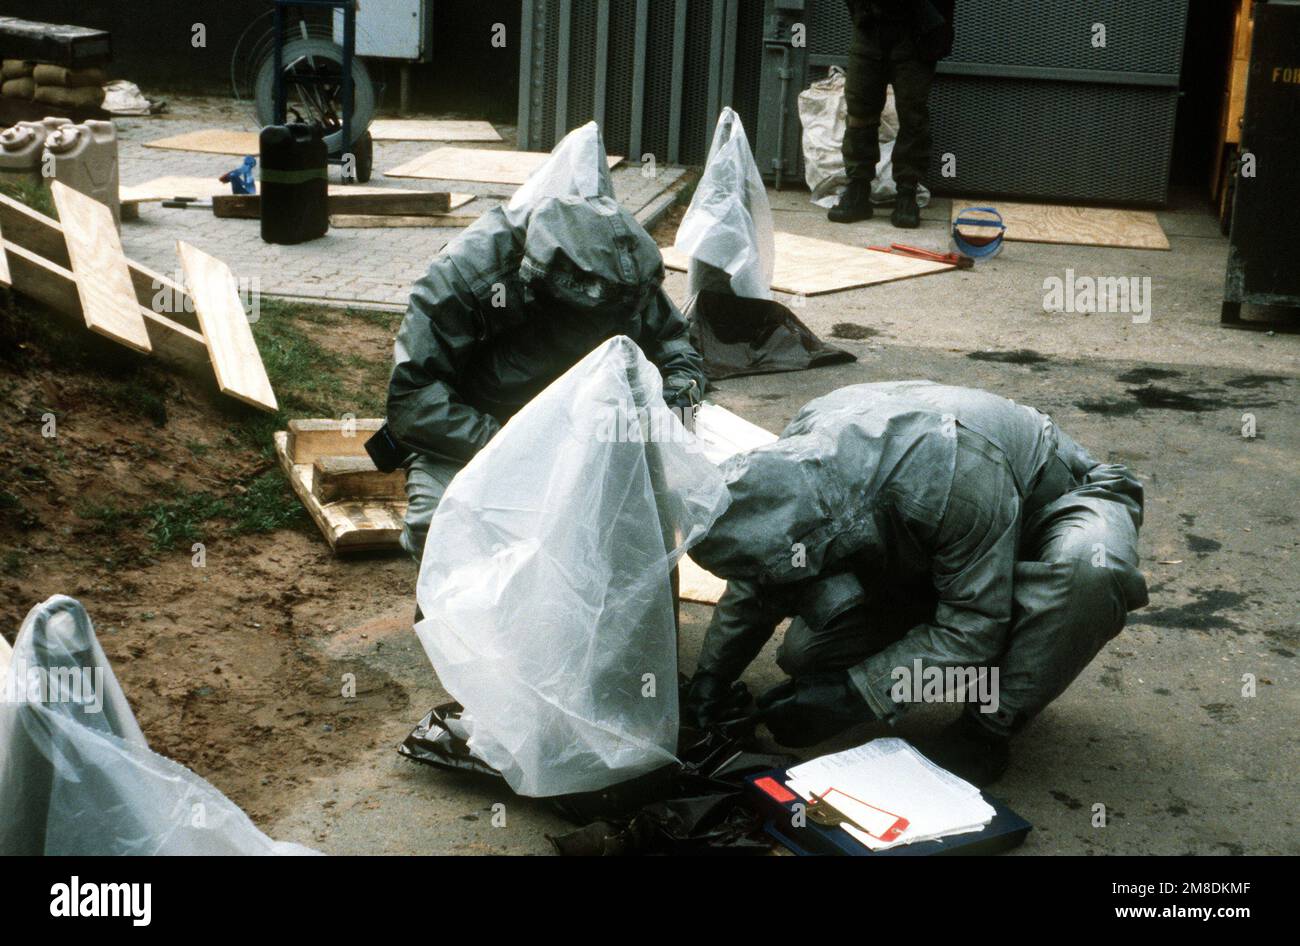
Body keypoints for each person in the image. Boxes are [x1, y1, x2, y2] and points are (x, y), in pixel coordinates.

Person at [684, 382, 1149, 786]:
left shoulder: (951, 476)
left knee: (1090, 572)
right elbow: (758, 570)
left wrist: (853, 696)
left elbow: (974, 626)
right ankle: (962, 634)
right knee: (808, 654)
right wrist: (712, 677)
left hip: (1044, 511)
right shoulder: (796, 462)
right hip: (940, 546)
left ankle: (989, 727)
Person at [369, 194, 706, 563]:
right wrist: (519, 450)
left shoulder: (623, 279)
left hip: (594, 430)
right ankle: (453, 621)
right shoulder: (468, 274)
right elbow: (415, 401)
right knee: (442, 530)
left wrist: (675, 405)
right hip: (478, 432)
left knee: (651, 537)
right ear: (539, 284)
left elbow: (673, 344)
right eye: (584, 315)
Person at [828, 0, 955, 228]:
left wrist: (938, 27)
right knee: (860, 110)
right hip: (870, 28)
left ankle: (907, 191)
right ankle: (858, 188)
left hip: (914, 32)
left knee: (912, 115)